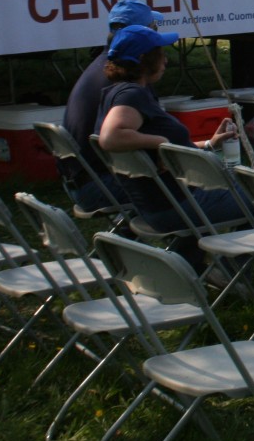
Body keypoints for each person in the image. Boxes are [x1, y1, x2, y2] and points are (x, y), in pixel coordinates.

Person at [94, 25, 242, 272]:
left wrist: (208, 144)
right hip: (176, 204)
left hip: (158, 203)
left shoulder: (115, 93)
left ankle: (184, 268)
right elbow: (110, 137)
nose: (166, 59)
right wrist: (159, 142)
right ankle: (230, 271)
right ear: (143, 60)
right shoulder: (131, 96)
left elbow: (167, 150)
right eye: (160, 53)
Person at [60, 0, 160, 213]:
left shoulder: (102, 66)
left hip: (79, 180)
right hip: (101, 185)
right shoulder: (130, 79)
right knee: (197, 189)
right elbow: (162, 146)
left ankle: (127, 242)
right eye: (154, 29)